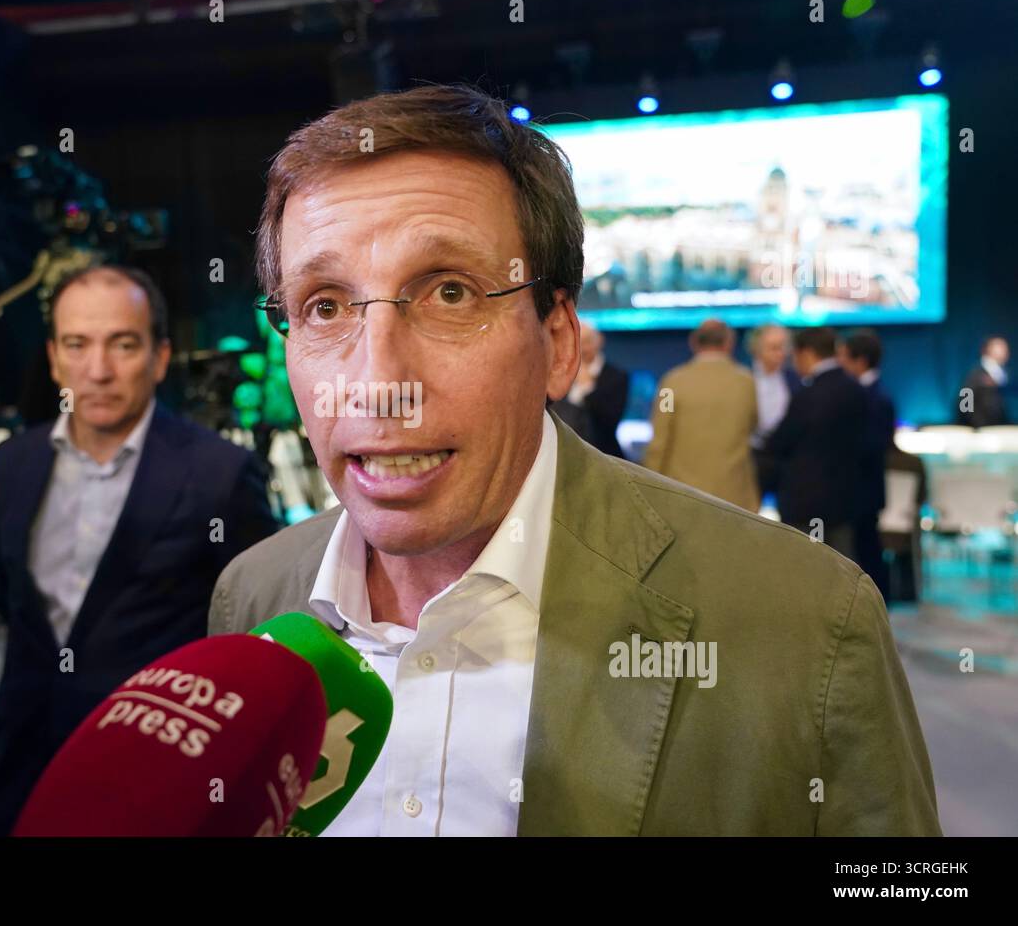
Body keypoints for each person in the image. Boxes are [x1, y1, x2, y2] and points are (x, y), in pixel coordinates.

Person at [209, 85, 939, 835]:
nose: (379, 384)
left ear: (557, 343)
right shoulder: (252, 597)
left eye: (450, 293)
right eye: (325, 306)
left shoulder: (805, 622)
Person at [0, 264, 279, 836]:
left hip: (155, 785)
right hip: (18, 773)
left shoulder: (220, 474)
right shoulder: (14, 462)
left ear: (160, 358)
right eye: (77, 345)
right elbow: (21, 611)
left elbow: (263, 634)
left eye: (123, 344)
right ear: (55, 358)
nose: (99, 370)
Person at [765, 326, 868, 560]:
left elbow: (780, 442)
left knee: (805, 572)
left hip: (805, 504)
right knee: (844, 572)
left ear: (807, 353)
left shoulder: (807, 395)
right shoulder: (856, 390)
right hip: (845, 502)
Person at [644, 319, 759, 512]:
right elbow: (752, 425)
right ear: (729, 343)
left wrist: (649, 488)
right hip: (735, 499)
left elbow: (659, 440)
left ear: (693, 343)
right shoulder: (746, 382)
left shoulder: (672, 382)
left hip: (683, 496)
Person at [839, 330, 896, 601]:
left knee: (868, 553)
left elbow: (874, 445)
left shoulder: (875, 398)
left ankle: (878, 606)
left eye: (844, 358)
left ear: (859, 361)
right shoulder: (868, 394)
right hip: (861, 491)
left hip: (864, 491)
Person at [551, 318, 629, 457]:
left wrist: (587, 388)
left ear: (599, 341)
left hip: (604, 455)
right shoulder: (560, 373)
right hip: (565, 453)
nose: (582, 348)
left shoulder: (616, 376)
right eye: (578, 343)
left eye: (586, 342)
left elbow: (610, 420)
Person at [747, 322, 802, 496]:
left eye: (784, 347)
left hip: (787, 459)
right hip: (752, 457)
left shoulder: (795, 379)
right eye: (774, 348)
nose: (781, 353)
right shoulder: (744, 380)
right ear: (757, 349)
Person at [956, 335, 1010, 427]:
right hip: (981, 431)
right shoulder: (975, 374)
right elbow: (964, 401)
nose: (1005, 352)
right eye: (1000, 348)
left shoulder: (1000, 375)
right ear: (988, 350)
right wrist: (976, 424)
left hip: (999, 428)